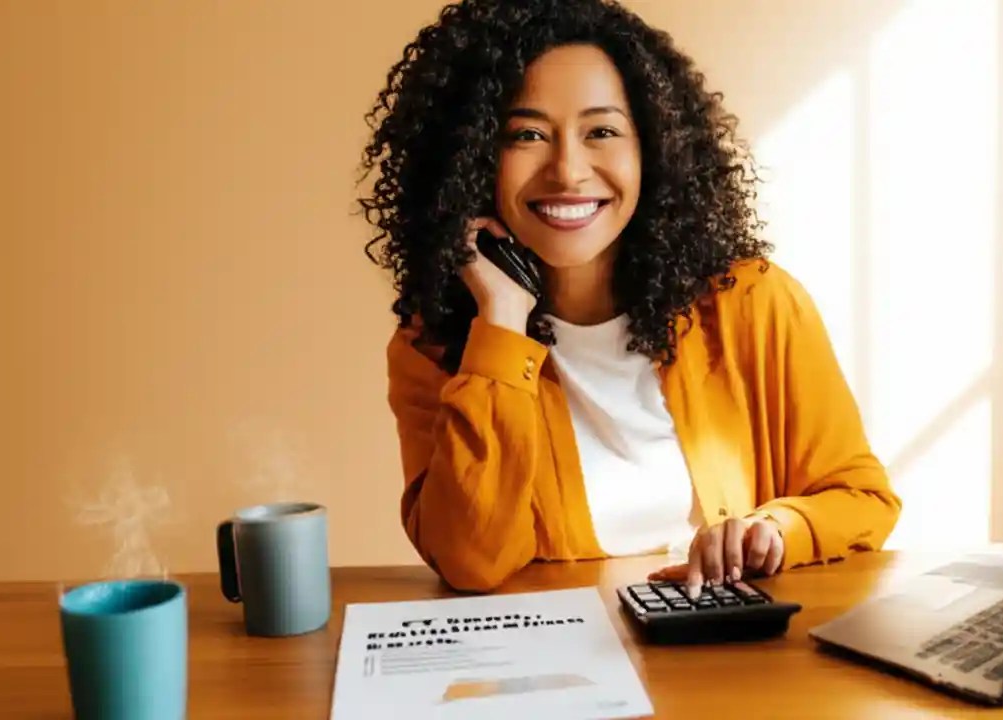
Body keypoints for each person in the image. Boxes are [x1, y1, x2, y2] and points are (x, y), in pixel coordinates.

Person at [358, 0, 901, 594]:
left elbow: (861, 498)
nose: (568, 171)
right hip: (559, 671)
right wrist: (502, 328)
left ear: (654, 149)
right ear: (473, 158)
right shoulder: (435, 347)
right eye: (528, 134)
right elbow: (471, 559)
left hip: (732, 670)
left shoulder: (753, 302)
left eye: (602, 131)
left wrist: (776, 528)